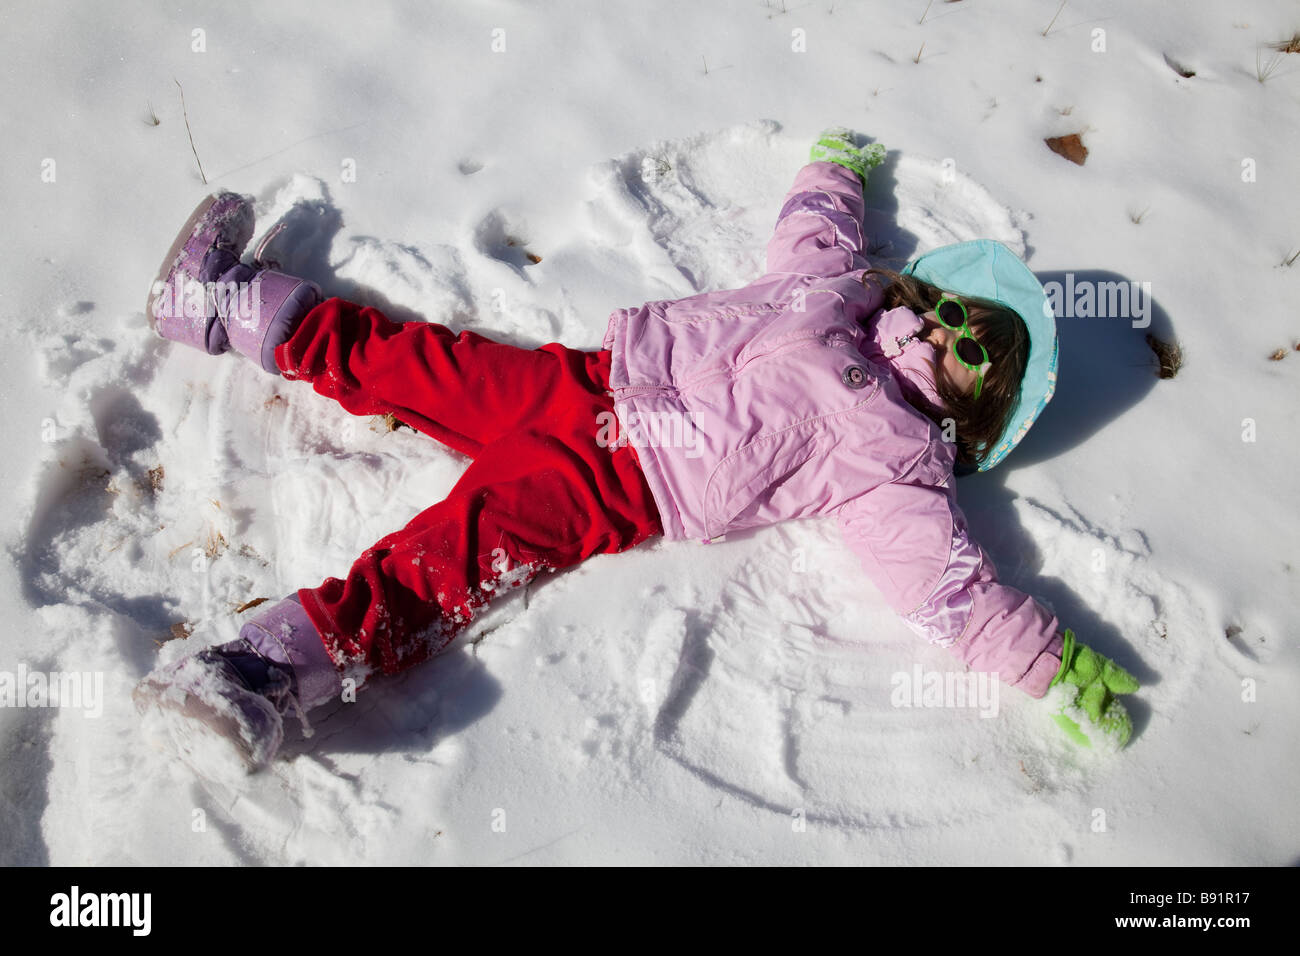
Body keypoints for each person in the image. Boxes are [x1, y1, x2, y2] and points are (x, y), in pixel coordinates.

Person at [133, 128, 1139, 777]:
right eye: (964, 313)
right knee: (415, 362)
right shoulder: (841, 291)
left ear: (980, 406)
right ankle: (218, 304)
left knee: (445, 558)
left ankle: (258, 677)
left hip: (614, 482)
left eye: (975, 355)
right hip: (581, 385)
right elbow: (813, 233)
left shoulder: (896, 452)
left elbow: (946, 584)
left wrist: (1046, 664)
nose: (951, 337)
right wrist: (833, 169)